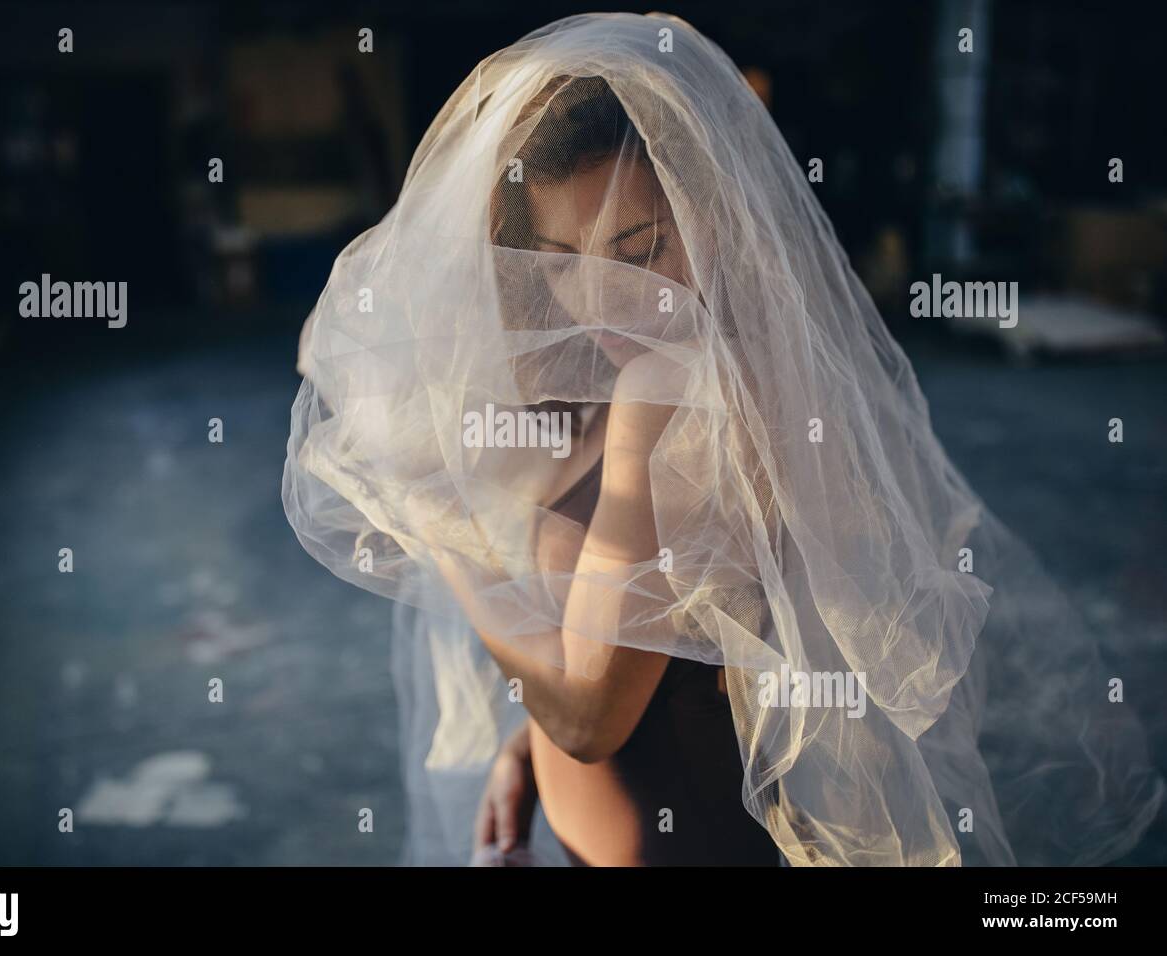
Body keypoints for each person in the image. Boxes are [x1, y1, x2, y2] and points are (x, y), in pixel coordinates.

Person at [284, 12, 1162, 866]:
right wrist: (526, 750)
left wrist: (443, 535)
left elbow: (591, 716)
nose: (611, 298)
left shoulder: (674, 394)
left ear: (710, 210)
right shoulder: (661, 367)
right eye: (565, 261)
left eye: (641, 247)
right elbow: (665, 648)